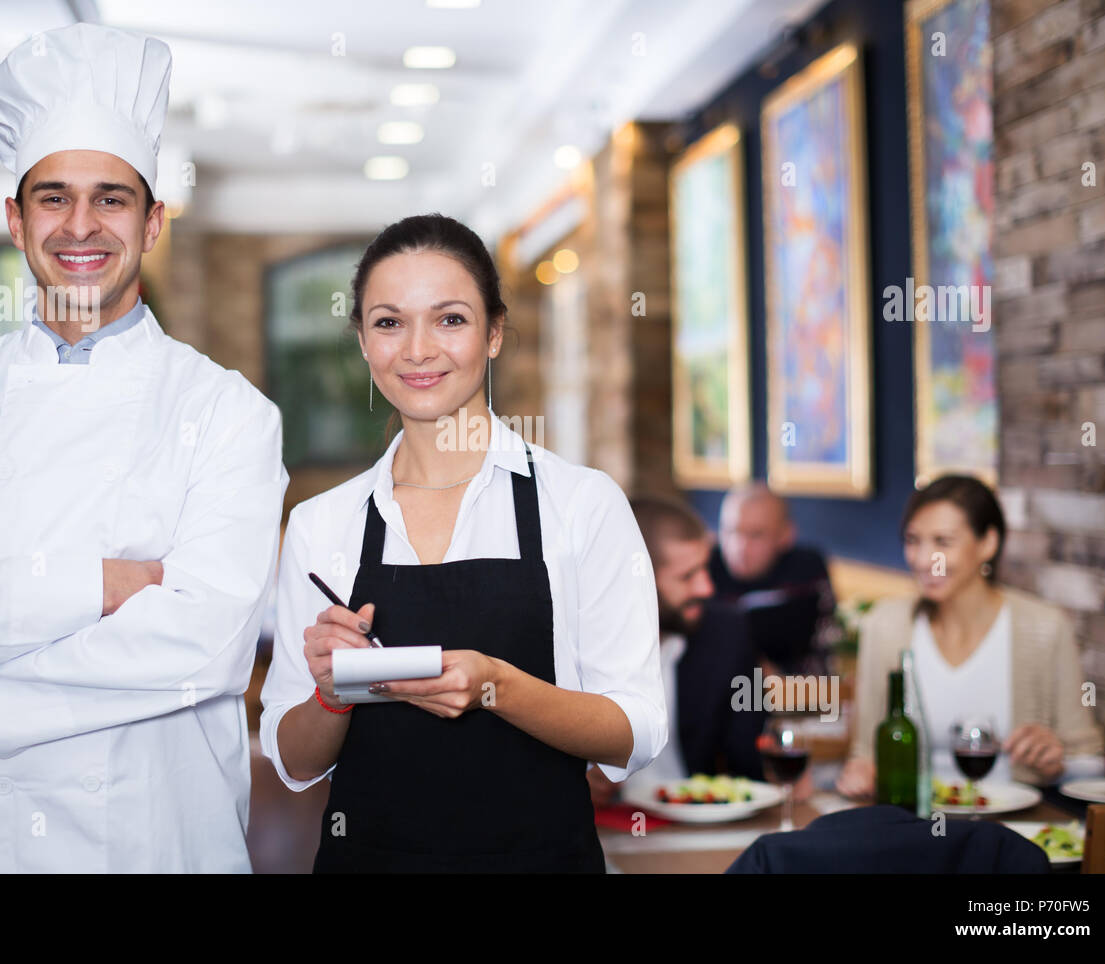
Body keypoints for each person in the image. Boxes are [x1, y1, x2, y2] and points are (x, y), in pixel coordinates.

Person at [0, 24, 286, 872]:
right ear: (15, 218)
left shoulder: (229, 412)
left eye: (111, 198)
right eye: (52, 197)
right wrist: (106, 585)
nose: (80, 225)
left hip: (158, 832)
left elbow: (206, 648)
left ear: (153, 220)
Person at [259, 214, 665, 873]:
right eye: (389, 322)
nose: (418, 350)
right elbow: (295, 761)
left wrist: (497, 685)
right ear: (363, 341)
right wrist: (332, 693)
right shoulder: (320, 523)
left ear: (495, 332)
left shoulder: (581, 504)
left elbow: (637, 731)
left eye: (450, 318)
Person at [837, 476, 1105, 798]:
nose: (924, 560)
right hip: (914, 826)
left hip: (1016, 830)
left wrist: (1056, 759)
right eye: (913, 541)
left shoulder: (1045, 628)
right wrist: (861, 773)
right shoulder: (884, 626)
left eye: (943, 542)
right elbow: (865, 754)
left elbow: (1091, 766)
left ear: (988, 544)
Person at [589, 496, 764, 807]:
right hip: (601, 829)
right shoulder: (576, 644)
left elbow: (749, 747)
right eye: (687, 576)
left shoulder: (728, 631)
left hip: (700, 822)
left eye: (705, 569)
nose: (706, 588)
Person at [708, 482, 836, 677]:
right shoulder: (704, 568)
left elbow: (821, 646)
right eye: (730, 531)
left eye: (756, 535)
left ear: (786, 534)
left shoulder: (806, 570)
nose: (739, 546)